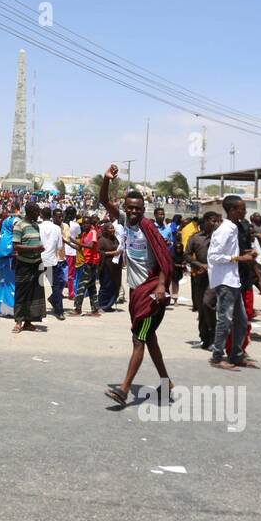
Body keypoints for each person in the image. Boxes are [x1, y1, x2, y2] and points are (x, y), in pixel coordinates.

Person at [100, 164, 175, 405]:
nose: (133, 212)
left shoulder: (148, 228)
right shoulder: (124, 221)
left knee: (139, 338)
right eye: (130, 208)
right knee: (150, 338)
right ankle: (166, 381)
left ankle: (124, 389)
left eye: (138, 209)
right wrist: (106, 180)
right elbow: (104, 200)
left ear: (144, 210)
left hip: (152, 293)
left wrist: (162, 286)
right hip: (137, 292)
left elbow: (165, 259)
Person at [206, 195, 253, 371]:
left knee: (241, 321)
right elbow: (214, 256)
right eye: (242, 208)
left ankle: (236, 355)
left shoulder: (234, 228)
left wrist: (246, 253)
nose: (245, 211)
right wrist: (240, 258)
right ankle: (217, 357)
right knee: (225, 320)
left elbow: (230, 251)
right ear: (232, 210)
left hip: (234, 280)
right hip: (224, 280)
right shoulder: (225, 229)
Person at [10, 202, 45, 333]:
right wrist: (35, 248)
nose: (39, 215)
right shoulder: (19, 226)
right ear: (30, 212)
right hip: (24, 264)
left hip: (37, 263)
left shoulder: (36, 226)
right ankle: (18, 322)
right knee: (21, 293)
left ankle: (28, 322)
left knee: (34, 293)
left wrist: (39, 250)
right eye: (37, 212)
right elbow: (16, 246)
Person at [187, 211, 218, 345]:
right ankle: (204, 338)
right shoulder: (195, 238)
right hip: (200, 277)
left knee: (208, 304)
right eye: (213, 220)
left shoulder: (219, 237)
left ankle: (214, 336)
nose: (215, 223)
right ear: (205, 221)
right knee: (201, 308)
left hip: (215, 277)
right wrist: (200, 265)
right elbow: (186, 255)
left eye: (217, 221)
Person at [40, 206, 66, 320]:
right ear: (50, 216)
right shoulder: (56, 228)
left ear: (41, 215)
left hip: (40, 260)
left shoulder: (38, 227)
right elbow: (60, 246)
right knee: (55, 286)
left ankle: (39, 310)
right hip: (52, 260)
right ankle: (60, 311)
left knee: (39, 286)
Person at [73, 217, 102, 316]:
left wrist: (76, 242)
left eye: (87, 223)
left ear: (91, 224)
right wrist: (67, 242)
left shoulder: (93, 232)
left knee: (82, 285)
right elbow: (79, 248)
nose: (84, 225)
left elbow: (91, 246)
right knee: (91, 286)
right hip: (87, 261)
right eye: (83, 224)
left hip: (91, 262)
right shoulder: (84, 234)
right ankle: (95, 309)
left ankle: (77, 309)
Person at [0, 202, 18, 318]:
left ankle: (3, 308)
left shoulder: (5, 221)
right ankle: (11, 308)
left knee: (3, 282)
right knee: (11, 283)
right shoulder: (14, 221)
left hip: (3, 253)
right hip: (9, 254)